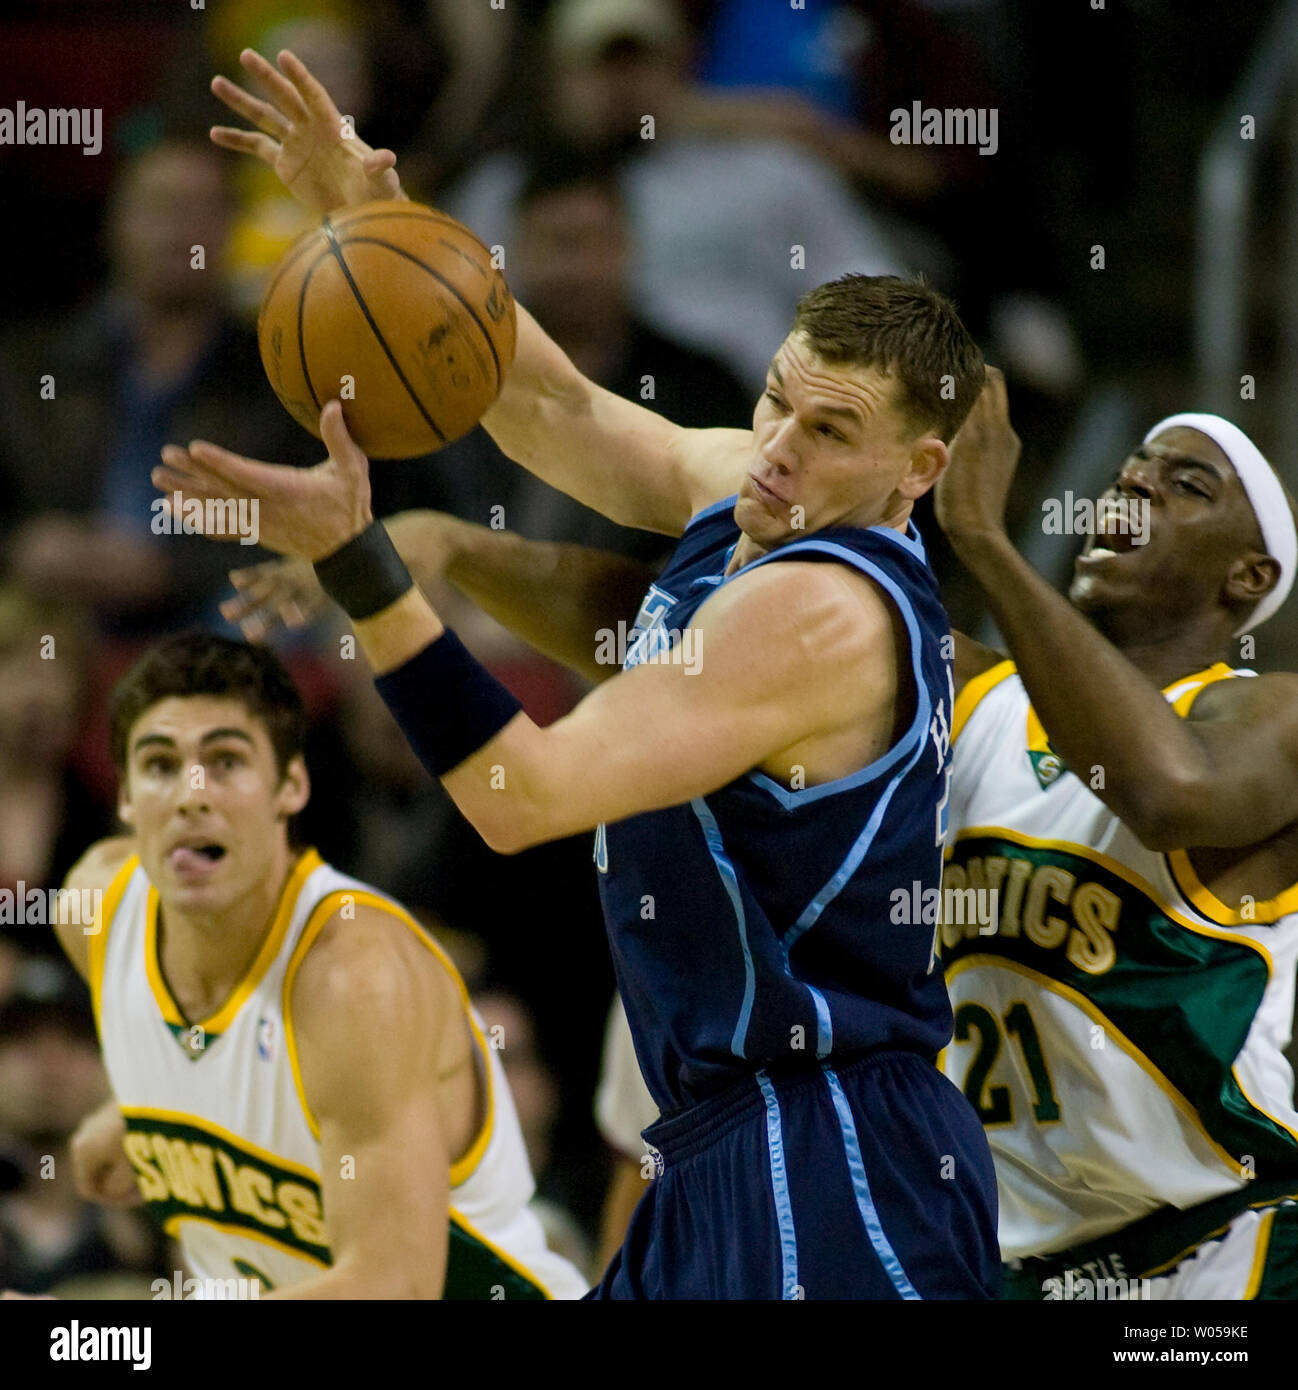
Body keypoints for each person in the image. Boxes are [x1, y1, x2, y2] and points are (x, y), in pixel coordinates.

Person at [164, 49, 1001, 1300]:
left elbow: (524, 795)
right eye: (774, 402)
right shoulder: (758, 490)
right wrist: (373, 215)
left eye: (827, 432)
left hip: (828, 1150)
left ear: (915, 471)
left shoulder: (822, 609)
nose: (774, 450)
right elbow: (547, 406)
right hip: (720, 1138)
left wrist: (360, 564)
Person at [53, 631, 586, 1299]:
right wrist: (137, 1111)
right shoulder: (94, 913)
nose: (191, 795)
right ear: (127, 800)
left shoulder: (356, 978)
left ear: (291, 786)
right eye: (160, 765)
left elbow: (395, 1287)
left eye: (225, 762)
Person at [933, 371, 1298, 1299]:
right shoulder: (971, 700)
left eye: (1186, 485)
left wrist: (981, 537)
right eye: (1133, 469)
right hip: (1027, 1270)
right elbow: (721, 650)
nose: (1133, 484)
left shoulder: (1273, 715)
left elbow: (1170, 793)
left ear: (1247, 578)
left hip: (1229, 1245)